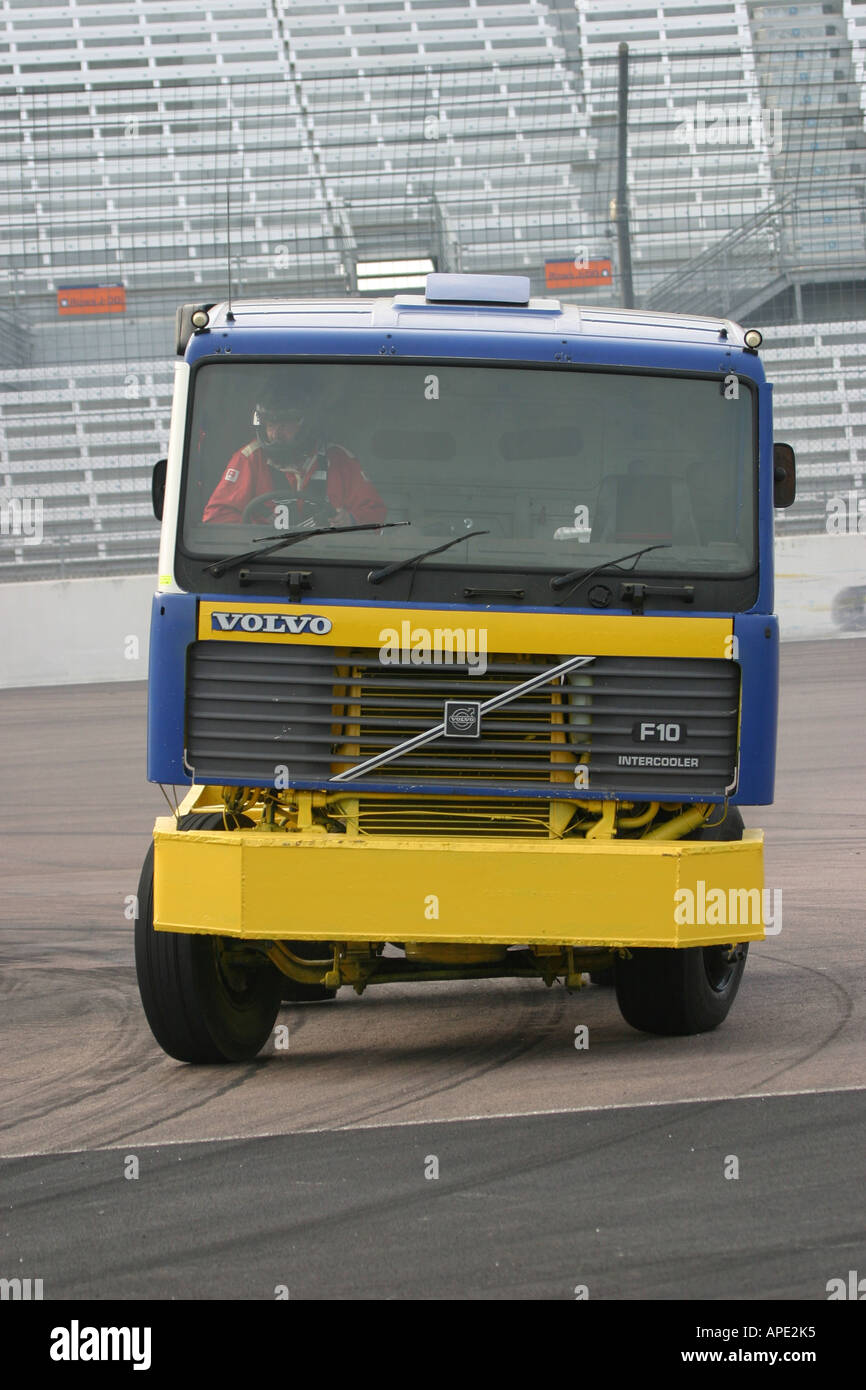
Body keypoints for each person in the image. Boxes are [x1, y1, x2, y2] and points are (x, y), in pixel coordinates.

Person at [202, 384, 386, 526]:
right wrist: (254, 532)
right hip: (263, 562)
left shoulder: (340, 459)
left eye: (285, 423)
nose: (276, 433)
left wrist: (352, 520)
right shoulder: (249, 459)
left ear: (305, 424)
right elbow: (217, 517)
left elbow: (374, 513)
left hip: (328, 559)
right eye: (270, 424)